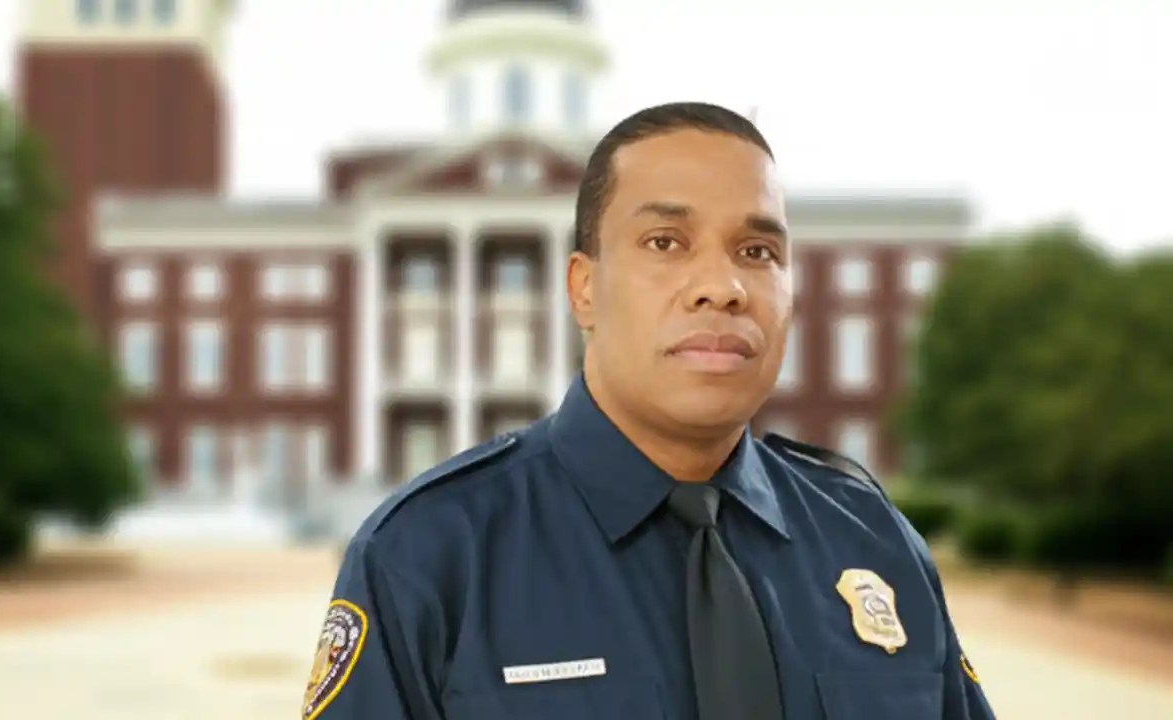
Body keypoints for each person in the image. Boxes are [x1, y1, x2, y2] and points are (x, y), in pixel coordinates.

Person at [300, 101, 997, 720]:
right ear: (583, 290)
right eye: (666, 243)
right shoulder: (427, 556)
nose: (722, 288)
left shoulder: (871, 541)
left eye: (757, 251)